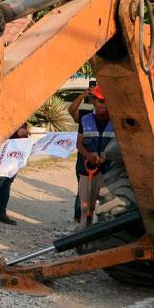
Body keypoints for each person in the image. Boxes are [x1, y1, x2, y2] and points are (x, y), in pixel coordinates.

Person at [76, 87, 115, 228]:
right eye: (100, 101)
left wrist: (105, 156)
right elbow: (79, 144)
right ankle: (84, 231)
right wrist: (89, 156)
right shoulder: (85, 119)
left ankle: (101, 233)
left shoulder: (116, 122)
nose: (103, 105)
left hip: (107, 170)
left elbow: (119, 146)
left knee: (106, 206)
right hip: (87, 168)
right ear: (94, 101)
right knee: (86, 206)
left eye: (106, 102)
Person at [67, 82, 96, 226]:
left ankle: (90, 221)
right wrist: (83, 95)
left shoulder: (109, 116)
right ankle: (78, 221)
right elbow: (71, 110)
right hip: (83, 162)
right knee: (82, 193)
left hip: (101, 163)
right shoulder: (85, 115)